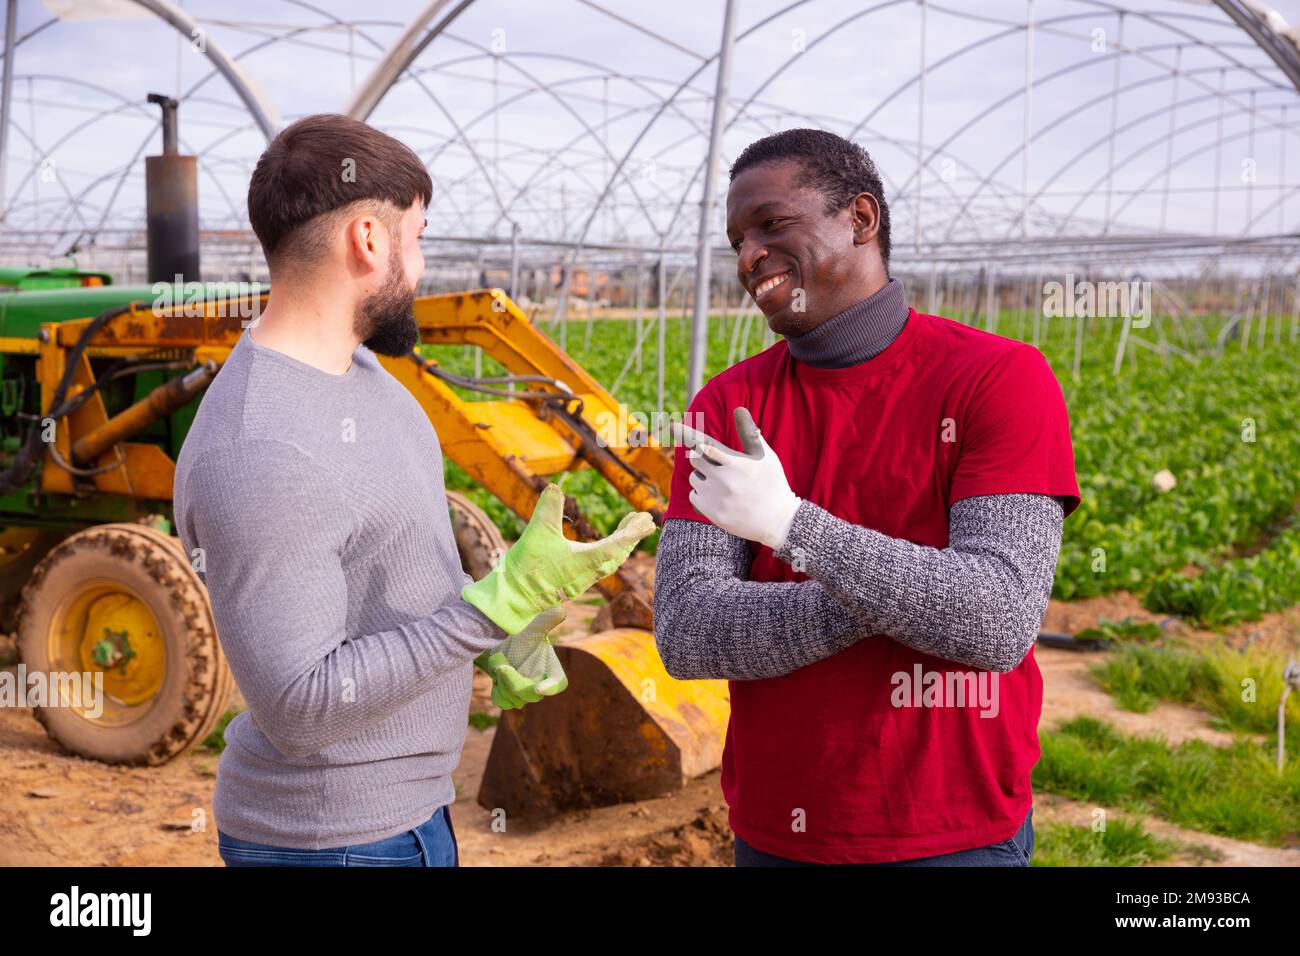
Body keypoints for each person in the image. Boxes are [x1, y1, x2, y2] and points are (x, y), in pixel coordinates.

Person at [175, 113, 652, 867]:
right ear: (369, 238)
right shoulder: (258, 447)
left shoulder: (369, 380)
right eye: (419, 236)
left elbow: (382, 581)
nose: (423, 265)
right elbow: (301, 707)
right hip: (331, 842)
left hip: (413, 816)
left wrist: (493, 638)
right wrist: (490, 609)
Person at [653, 128, 1080, 867]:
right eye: (737, 239)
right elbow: (688, 632)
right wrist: (902, 596)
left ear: (860, 218)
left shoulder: (998, 379)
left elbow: (996, 619)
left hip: (951, 834)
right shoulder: (726, 404)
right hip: (773, 835)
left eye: (772, 224)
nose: (750, 254)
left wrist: (793, 528)